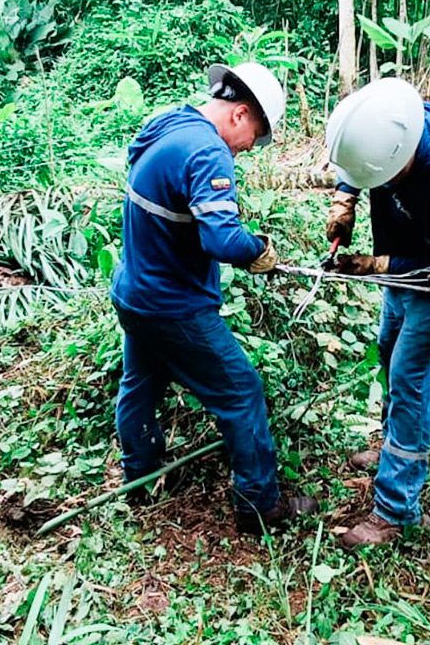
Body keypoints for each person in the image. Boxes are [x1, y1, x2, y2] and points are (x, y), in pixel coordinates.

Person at [110, 62, 318, 534]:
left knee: (140, 384)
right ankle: (259, 506)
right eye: (254, 137)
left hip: (135, 291)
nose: (247, 150)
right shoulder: (208, 151)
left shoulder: (170, 124)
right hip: (172, 304)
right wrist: (259, 251)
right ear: (241, 114)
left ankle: (137, 480)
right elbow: (222, 240)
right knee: (241, 391)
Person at [322, 78, 430, 548]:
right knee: (389, 354)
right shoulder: (391, 124)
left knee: (411, 380)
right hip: (400, 276)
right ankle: (391, 447)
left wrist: (375, 265)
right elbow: (359, 159)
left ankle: (396, 510)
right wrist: (346, 196)